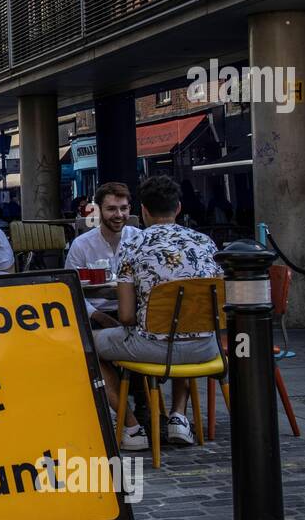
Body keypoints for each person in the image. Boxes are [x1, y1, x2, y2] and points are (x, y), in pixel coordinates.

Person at [95, 174, 223, 452]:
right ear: (178, 208)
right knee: (182, 325)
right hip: (205, 348)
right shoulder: (206, 243)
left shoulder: (133, 246)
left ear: (143, 210)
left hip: (154, 348)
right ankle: (178, 416)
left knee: (88, 346)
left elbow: (127, 316)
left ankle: (131, 428)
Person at [65, 183, 141, 330]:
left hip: (136, 314)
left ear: (129, 209)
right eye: (111, 209)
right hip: (94, 316)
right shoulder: (81, 244)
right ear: (98, 210)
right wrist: (100, 317)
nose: (119, 215)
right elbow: (70, 289)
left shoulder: (140, 239)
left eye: (123, 208)